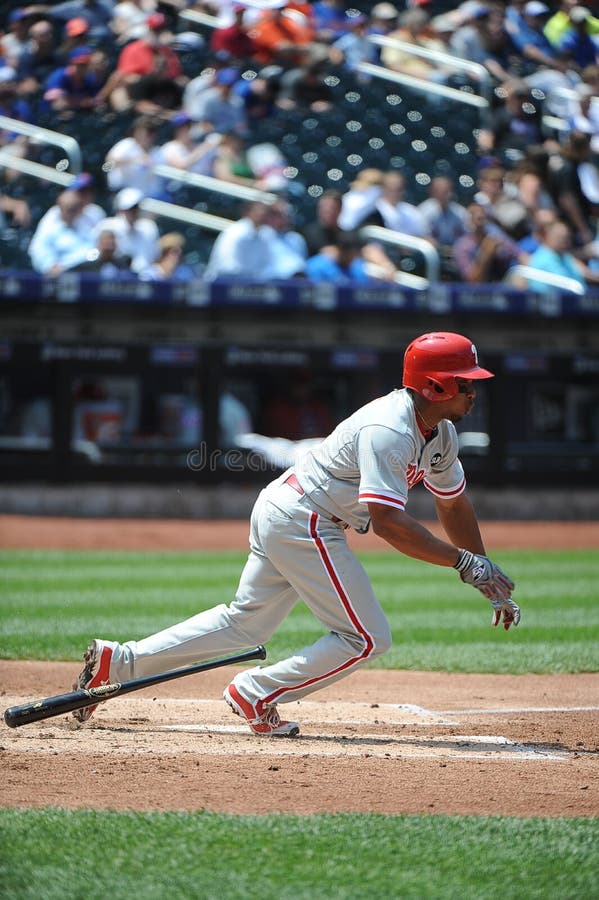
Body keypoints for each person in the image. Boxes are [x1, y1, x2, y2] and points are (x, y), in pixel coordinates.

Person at [71, 331, 520, 735]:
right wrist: (463, 562)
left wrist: (486, 572)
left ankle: (118, 662)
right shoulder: (390, 430)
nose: (472, 390)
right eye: (465, 381)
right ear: (434, 385)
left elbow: (453, 503)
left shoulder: (440, 434)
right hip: (305, 517)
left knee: (245, 624)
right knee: (365, 638)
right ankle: (256, 691)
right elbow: (388, 523)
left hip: (291, 509)